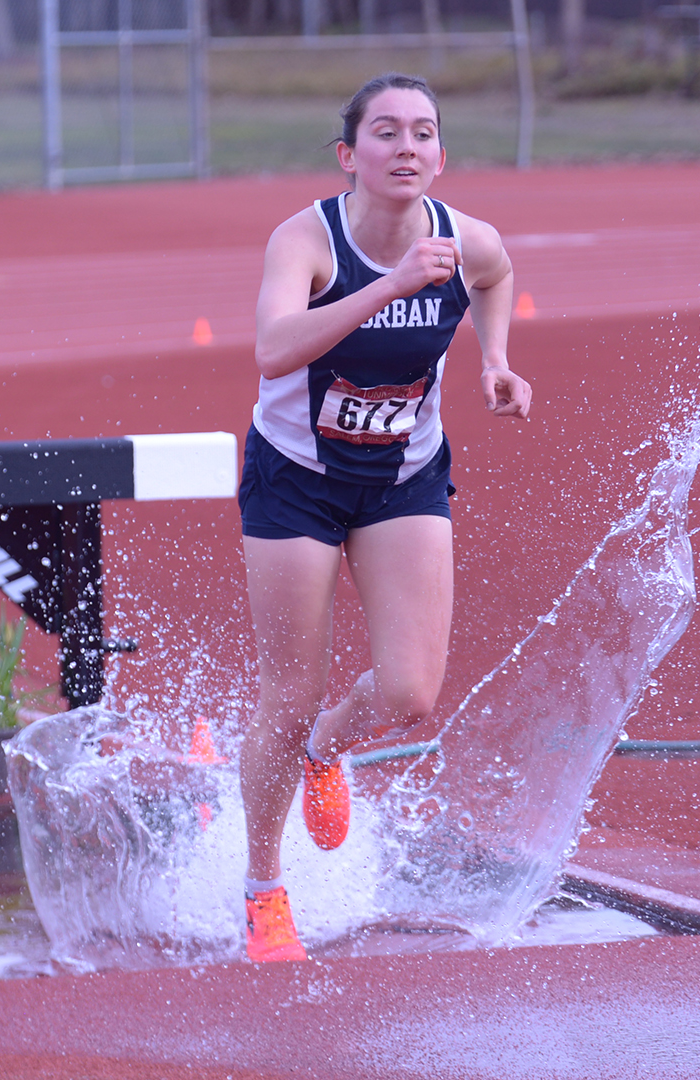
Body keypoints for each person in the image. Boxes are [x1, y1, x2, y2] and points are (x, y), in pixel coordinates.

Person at [236, 73, 533, 963]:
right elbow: (273, 347)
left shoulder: (464, 238)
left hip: (403, 474)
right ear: (349, 155)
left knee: (410, 690)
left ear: (440, 156)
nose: (407, 146)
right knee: (288, 697)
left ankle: (331, 750)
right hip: (297, 478)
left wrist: (496, 360)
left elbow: (498, 274)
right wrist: (392, 283)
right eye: (386, 132)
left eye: (424, 133)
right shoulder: (307, 241)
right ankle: (263, 890)